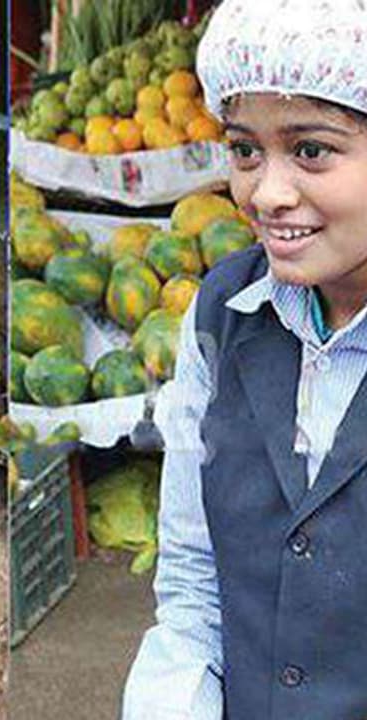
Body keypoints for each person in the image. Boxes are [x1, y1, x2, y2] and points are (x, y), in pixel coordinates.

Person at [123, 1, 367, 717]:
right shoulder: (223, 314)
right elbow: (196, 575)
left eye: (312, 150)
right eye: (244, 150)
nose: (267, 193)